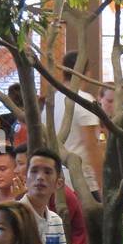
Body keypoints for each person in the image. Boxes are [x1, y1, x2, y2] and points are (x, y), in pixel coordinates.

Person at [19, 148, 90, 244]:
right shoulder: (14, 216)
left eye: (47, 172)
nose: (40, 177)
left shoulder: (55, 221)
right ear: (26, 179)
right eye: (34, 171)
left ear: (59, 183)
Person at [48, 51, 106, 198]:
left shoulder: (51, 102)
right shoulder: (85, 100)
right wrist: (102, 184)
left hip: (56, 180)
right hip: (82, 183)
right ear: (86, 73)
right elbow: (91, 146)